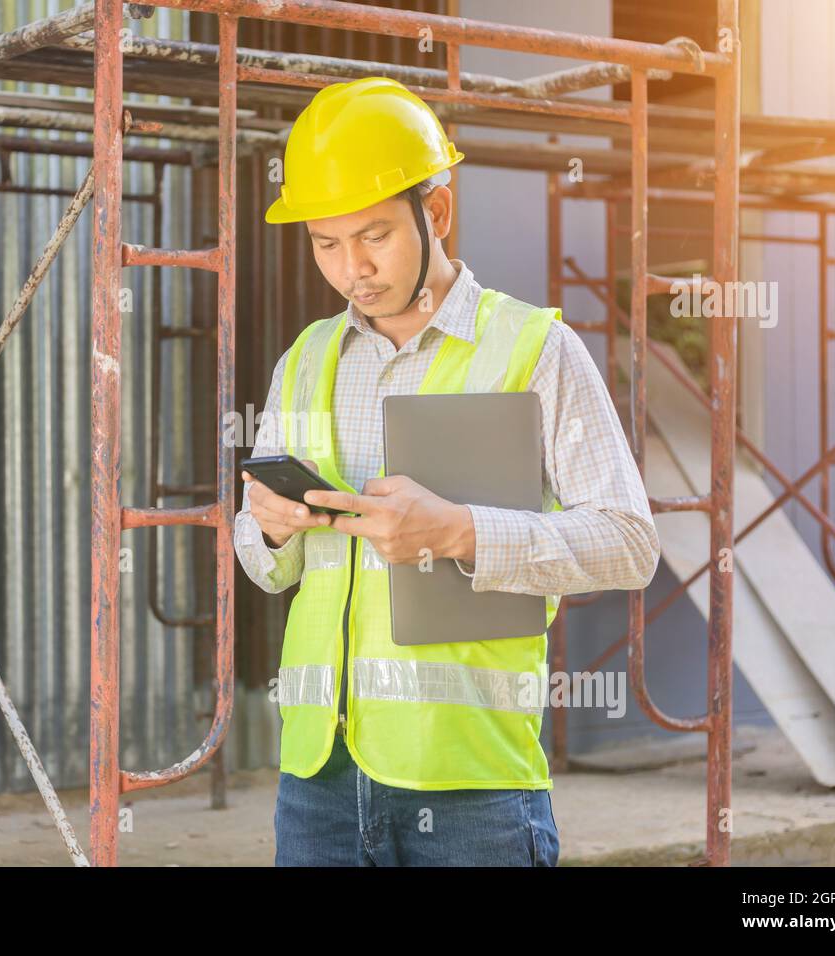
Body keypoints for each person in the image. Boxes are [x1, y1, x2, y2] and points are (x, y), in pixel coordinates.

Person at [234, 76, 659, 867]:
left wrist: (461, 530)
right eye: (326, 244)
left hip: (471, 786)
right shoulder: (305, 361)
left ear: (436, 212)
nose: (351, 268)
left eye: (373, 236)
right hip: (318, 779)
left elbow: (628, 543)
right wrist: (265, 525)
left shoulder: (536, 350)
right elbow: (267, 567)